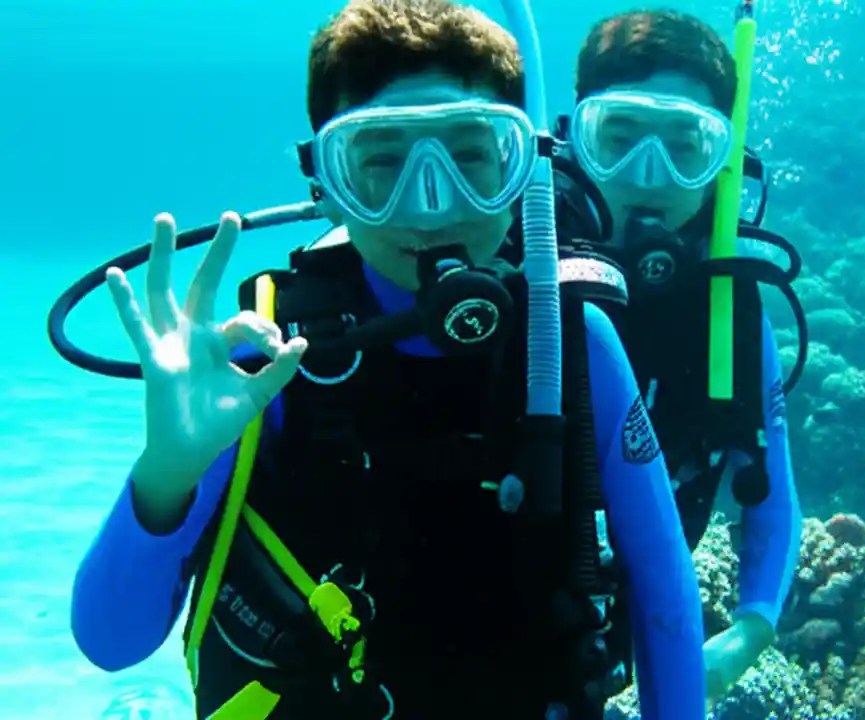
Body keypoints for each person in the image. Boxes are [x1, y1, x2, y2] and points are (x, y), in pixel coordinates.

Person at [68, 1, 706, 719]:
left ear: (521, 166)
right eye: (380, 164)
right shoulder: (268, 360)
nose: (431, 207)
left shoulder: (571, 344)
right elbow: (111, 640)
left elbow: (666, 604)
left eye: (470, 158)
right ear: (327, 186)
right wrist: (167, 472)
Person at [562, 8, 803, 705]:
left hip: (627, 637)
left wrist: (752, 626)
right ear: (575, 140)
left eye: (685, 145)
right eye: (620, 137)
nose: (649, 173)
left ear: (722, 162)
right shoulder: (519, 279)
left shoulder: (730, 310)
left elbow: (774, 489)